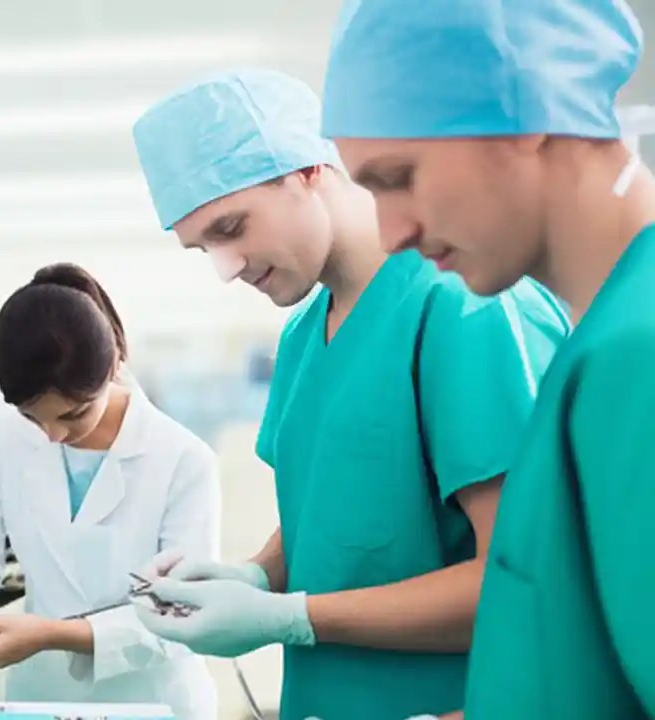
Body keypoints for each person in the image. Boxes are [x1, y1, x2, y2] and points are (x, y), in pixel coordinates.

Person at [125, 70, 571, 720]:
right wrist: (255, 577)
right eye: (203, 250)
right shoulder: (305, 337)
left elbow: (519, 579)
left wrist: (292, 616)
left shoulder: (464, 305)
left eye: (231, 227)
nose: (226, 268)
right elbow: (335, 512)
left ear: (308, 169)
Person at [321, 1, 653, 717]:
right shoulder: (602, 341)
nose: (391, 233)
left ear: (525, 110)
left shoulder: (639, 353)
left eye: (399, 176)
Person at [0, 263, 221, 720]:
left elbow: (181, 619)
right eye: (32, 418)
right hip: (41, 695)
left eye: (73, 415)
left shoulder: (183, 460)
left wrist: (48, 634)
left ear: (114, 364)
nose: (52, 436)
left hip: (152, 701)